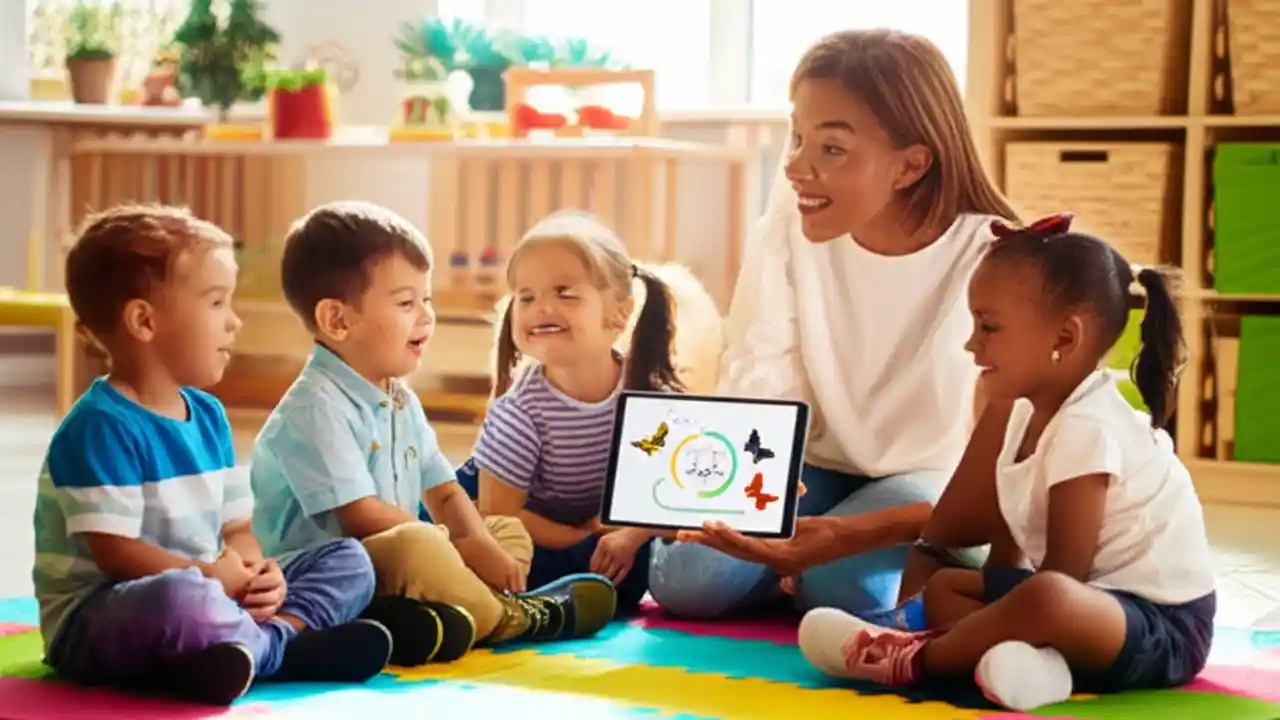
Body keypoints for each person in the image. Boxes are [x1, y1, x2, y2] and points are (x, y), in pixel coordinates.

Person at [656, 28, 1019, 619]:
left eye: (831, 149)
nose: (796, 167)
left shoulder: (991, 256)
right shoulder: (784, 235)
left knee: (840, 595)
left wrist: (848, 536)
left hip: (928, 482)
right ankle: (790, 569)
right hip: (812, 468)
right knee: (689, 583)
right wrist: (754, 474)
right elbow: (758, 370)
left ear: (911, 166)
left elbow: (1007, 465)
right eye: (796, 138)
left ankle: (811, 570)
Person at [798, 216, 1216, 712]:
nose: (972, 343)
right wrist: (994, 608)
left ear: (1064, 339)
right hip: (1088, 607)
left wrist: (1002, 612)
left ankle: (913, 659)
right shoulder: (1023, 414)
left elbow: (1063, 578)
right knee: (948, 585)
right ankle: (1026, 669)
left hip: (1160, 624)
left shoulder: (1087, 426)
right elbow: (1013, 543)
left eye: (989, 327)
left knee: (1047, 599)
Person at [34, 205, 391, 706]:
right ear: (144, 320)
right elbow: (115, 554)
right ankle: (282, 648)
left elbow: (237, 531)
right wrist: (209, 578)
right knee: (182, 600)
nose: (235, 321)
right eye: (217, 302)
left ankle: (250, 645)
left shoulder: (208, 416)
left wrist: (257, 573)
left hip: (211, 590)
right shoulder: (100, 425)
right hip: (101, 615)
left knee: (350, 560)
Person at [250, 201, 617, 667]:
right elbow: (361, 516)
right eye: (406, 303)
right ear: (338, 321)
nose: (426, 316)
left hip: (404, 551)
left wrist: (477, 543)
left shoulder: (398, 397)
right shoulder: (314, 408)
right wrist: (449, 545)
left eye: (427, 299)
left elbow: (444, 491)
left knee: (503, 528)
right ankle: (516, 617)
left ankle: (432, 613)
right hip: (332, 570)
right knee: (419, 545)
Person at [455, 211, 681, 614]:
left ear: (618, 312)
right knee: (505, 556)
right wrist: (582, 538)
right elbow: (502, 514)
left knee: (647, 559)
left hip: (594, 521)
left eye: (564, 292)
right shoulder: (519, 413)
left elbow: (669, 499)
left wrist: (627, 535)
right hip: (512, 514)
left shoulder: (649, 397)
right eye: (526, 297)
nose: (541, 307)